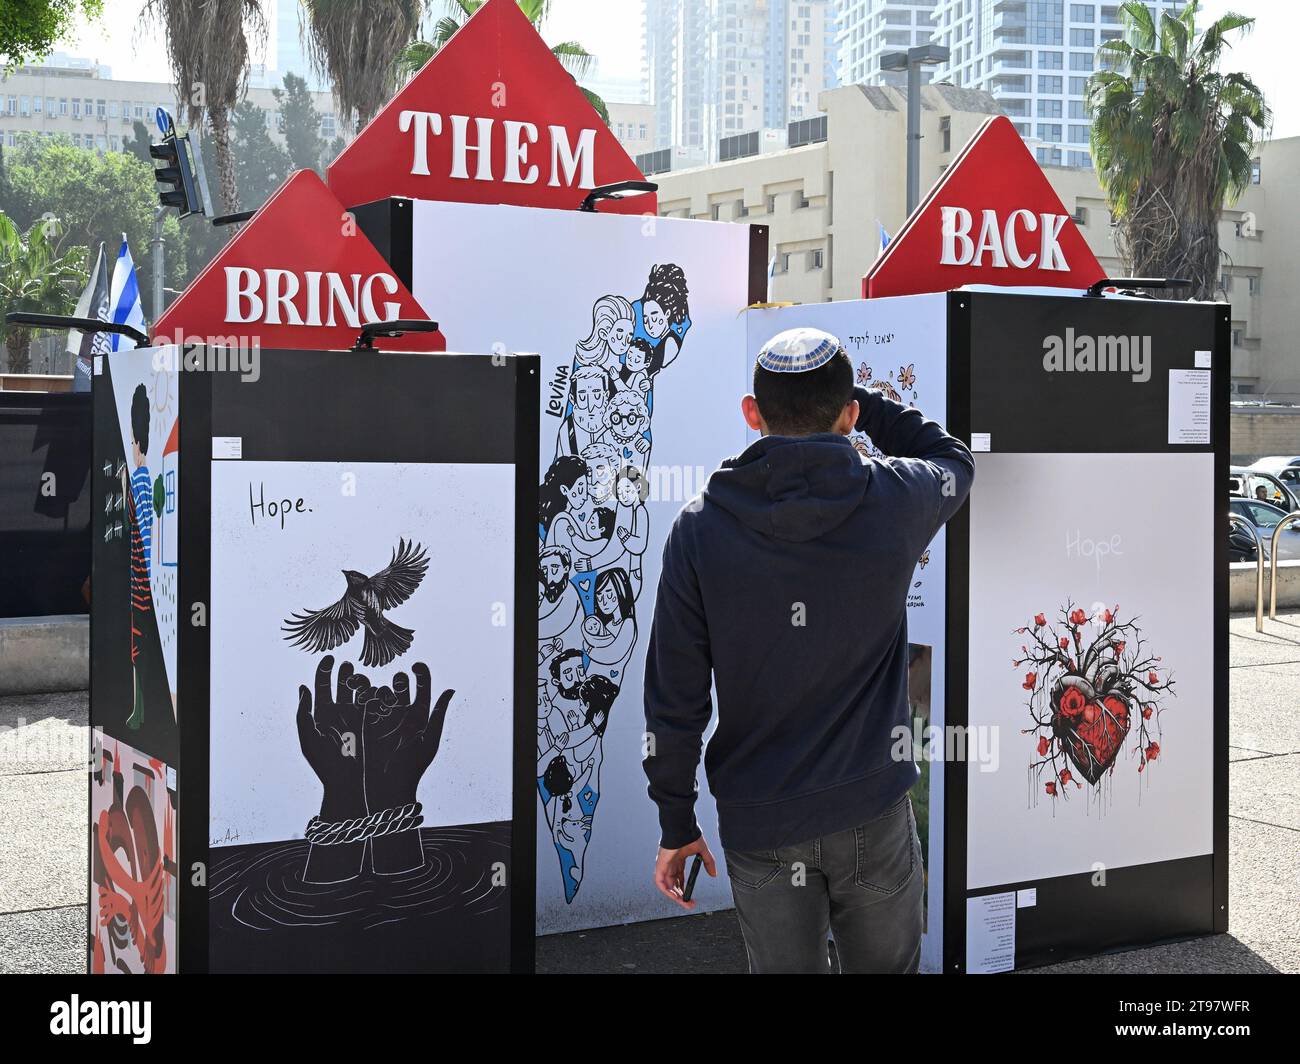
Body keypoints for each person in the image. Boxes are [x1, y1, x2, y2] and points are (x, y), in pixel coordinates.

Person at [642, 327, 974, 974]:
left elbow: (675, 701)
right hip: (874, 812)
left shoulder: (699, 528)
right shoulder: (894, 499)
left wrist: (675, 824)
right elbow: (952, 458)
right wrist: (864, 404)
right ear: (849, 415)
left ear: (751, 413)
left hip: (761, 823)